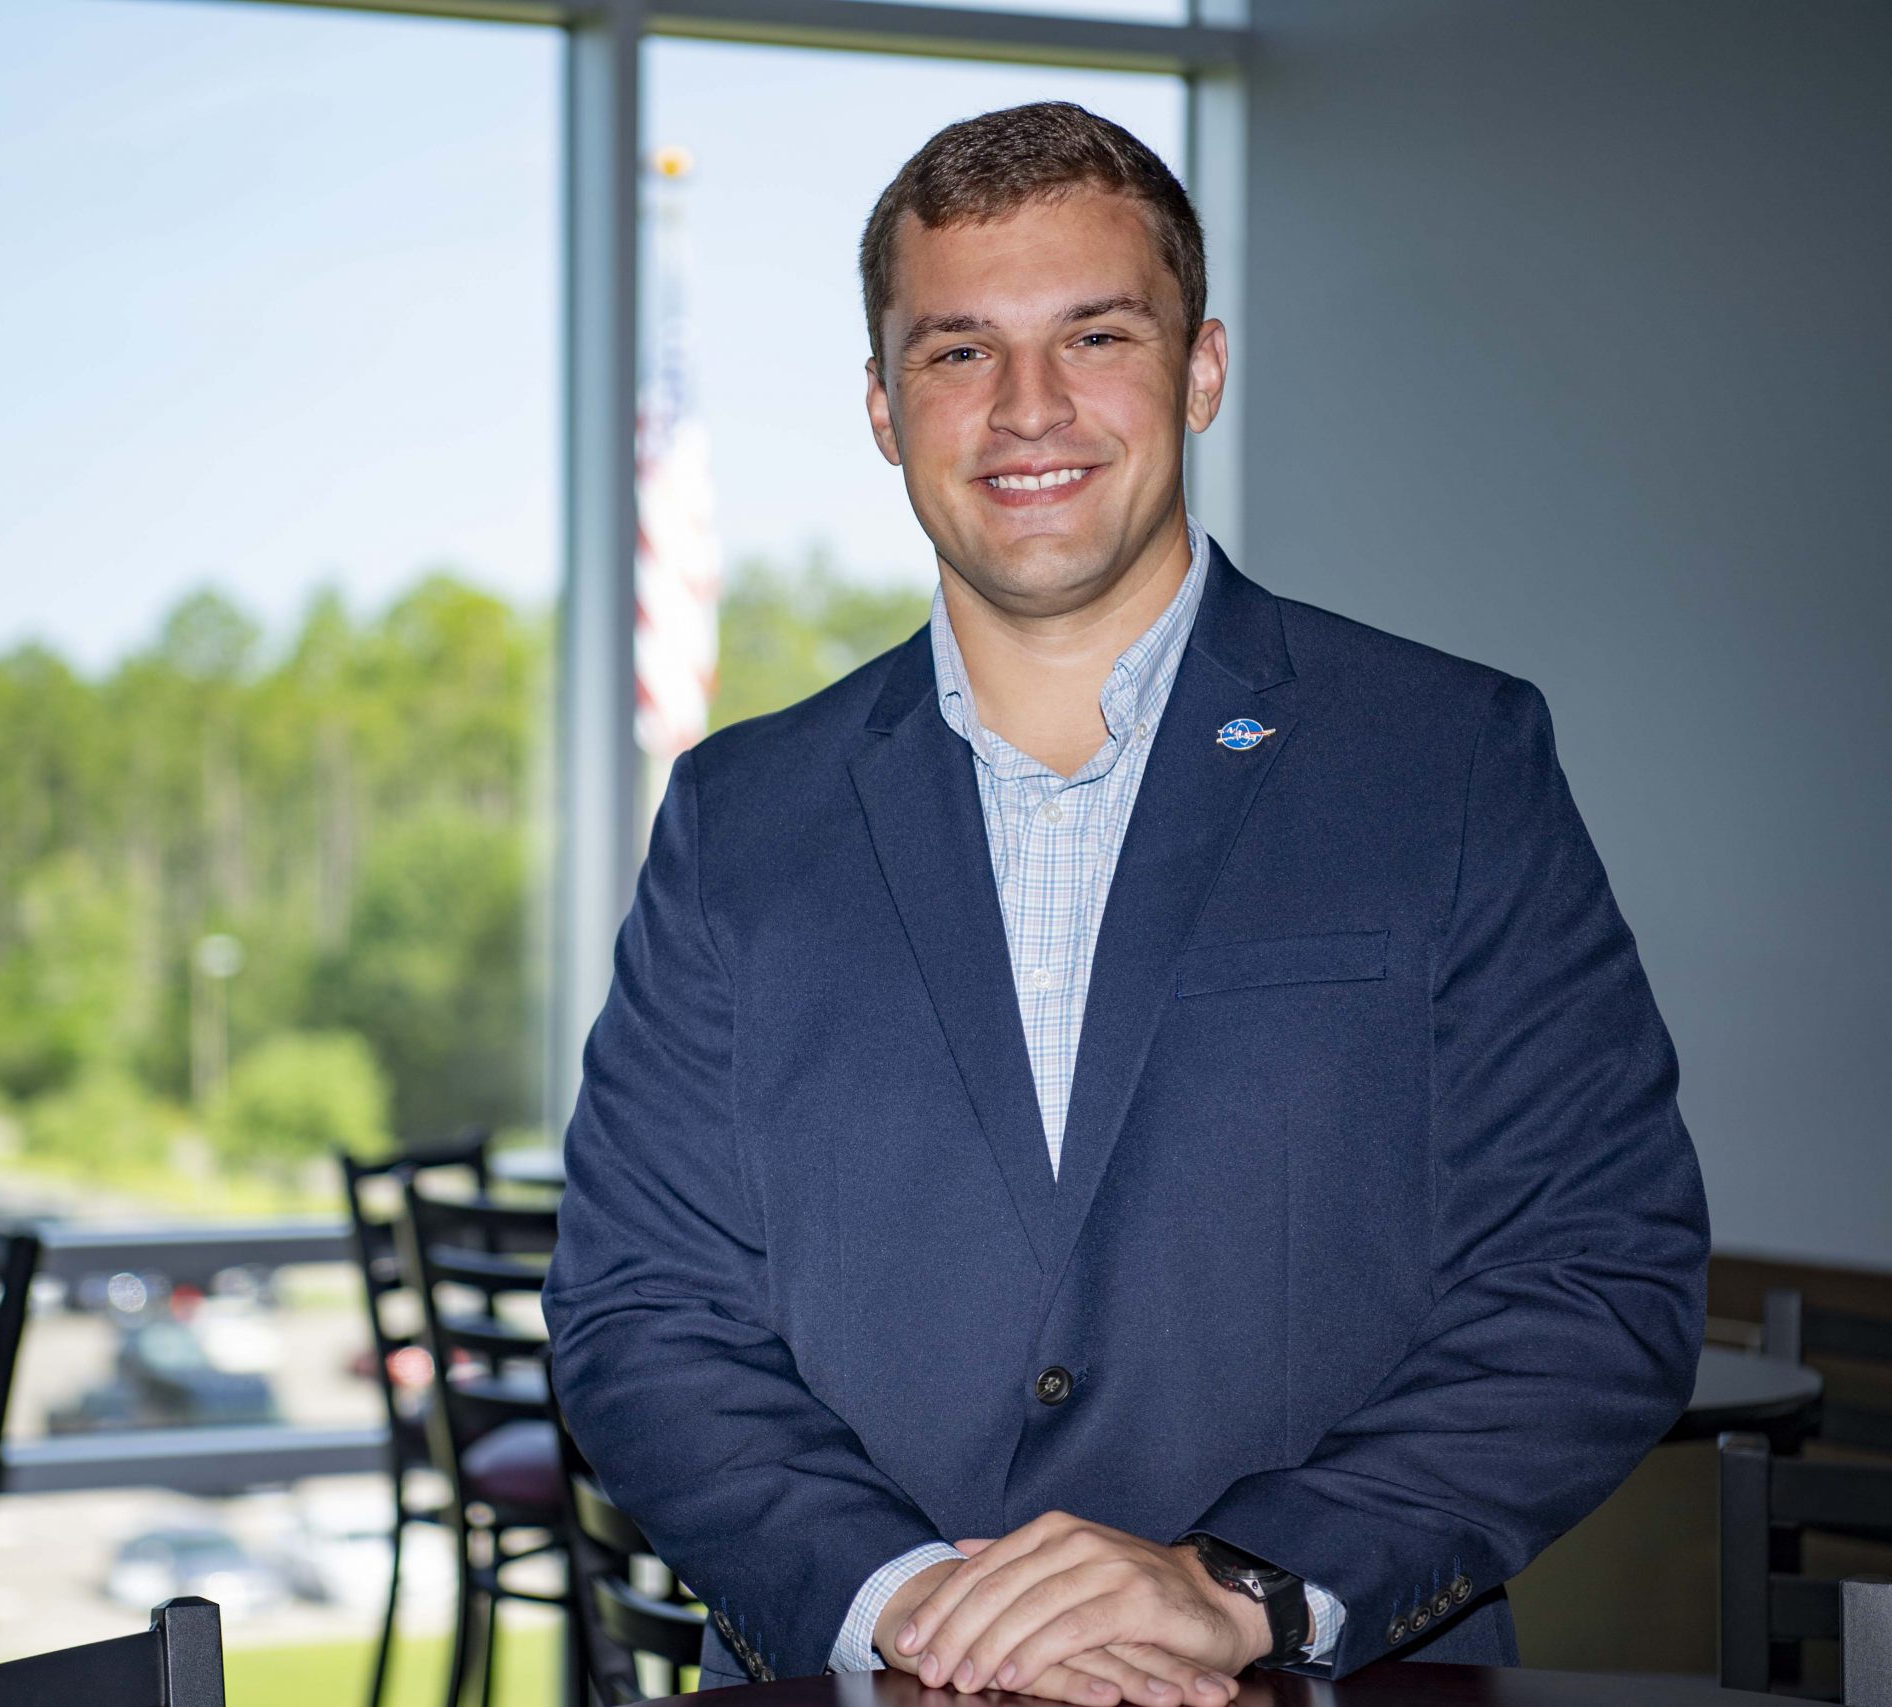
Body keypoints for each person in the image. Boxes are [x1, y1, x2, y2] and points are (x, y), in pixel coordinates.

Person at [541, 100, 1709, 1704]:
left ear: (1201, 369)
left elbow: (1593, 1273)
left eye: (1095, 334)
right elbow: (643, 1308)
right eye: (958, 353)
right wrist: (902, 1600)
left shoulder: (1450, 760)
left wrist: (1239, 1585)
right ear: (884, 408)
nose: (1029, 407)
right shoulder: (739, 820)